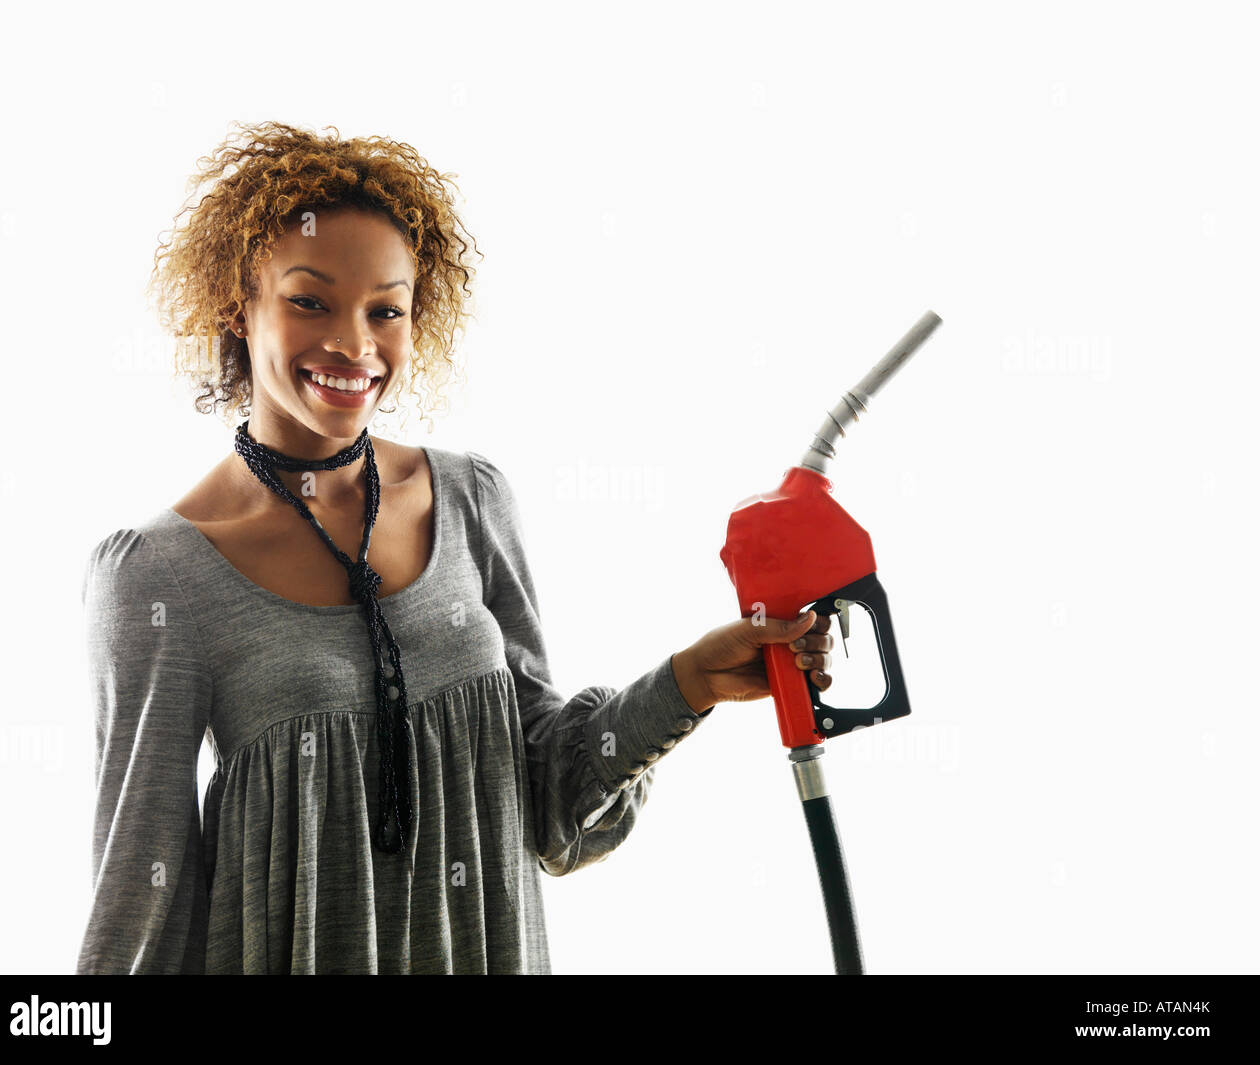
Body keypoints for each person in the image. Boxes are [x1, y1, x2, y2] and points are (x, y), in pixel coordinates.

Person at [74, 121, 833, 975]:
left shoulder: (471, 499)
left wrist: (688, 682)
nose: (354, 345)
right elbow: (142, 898)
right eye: (309, 300)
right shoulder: (160, 573)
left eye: (385, 310)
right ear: (232, 304)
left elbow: (550, 804)